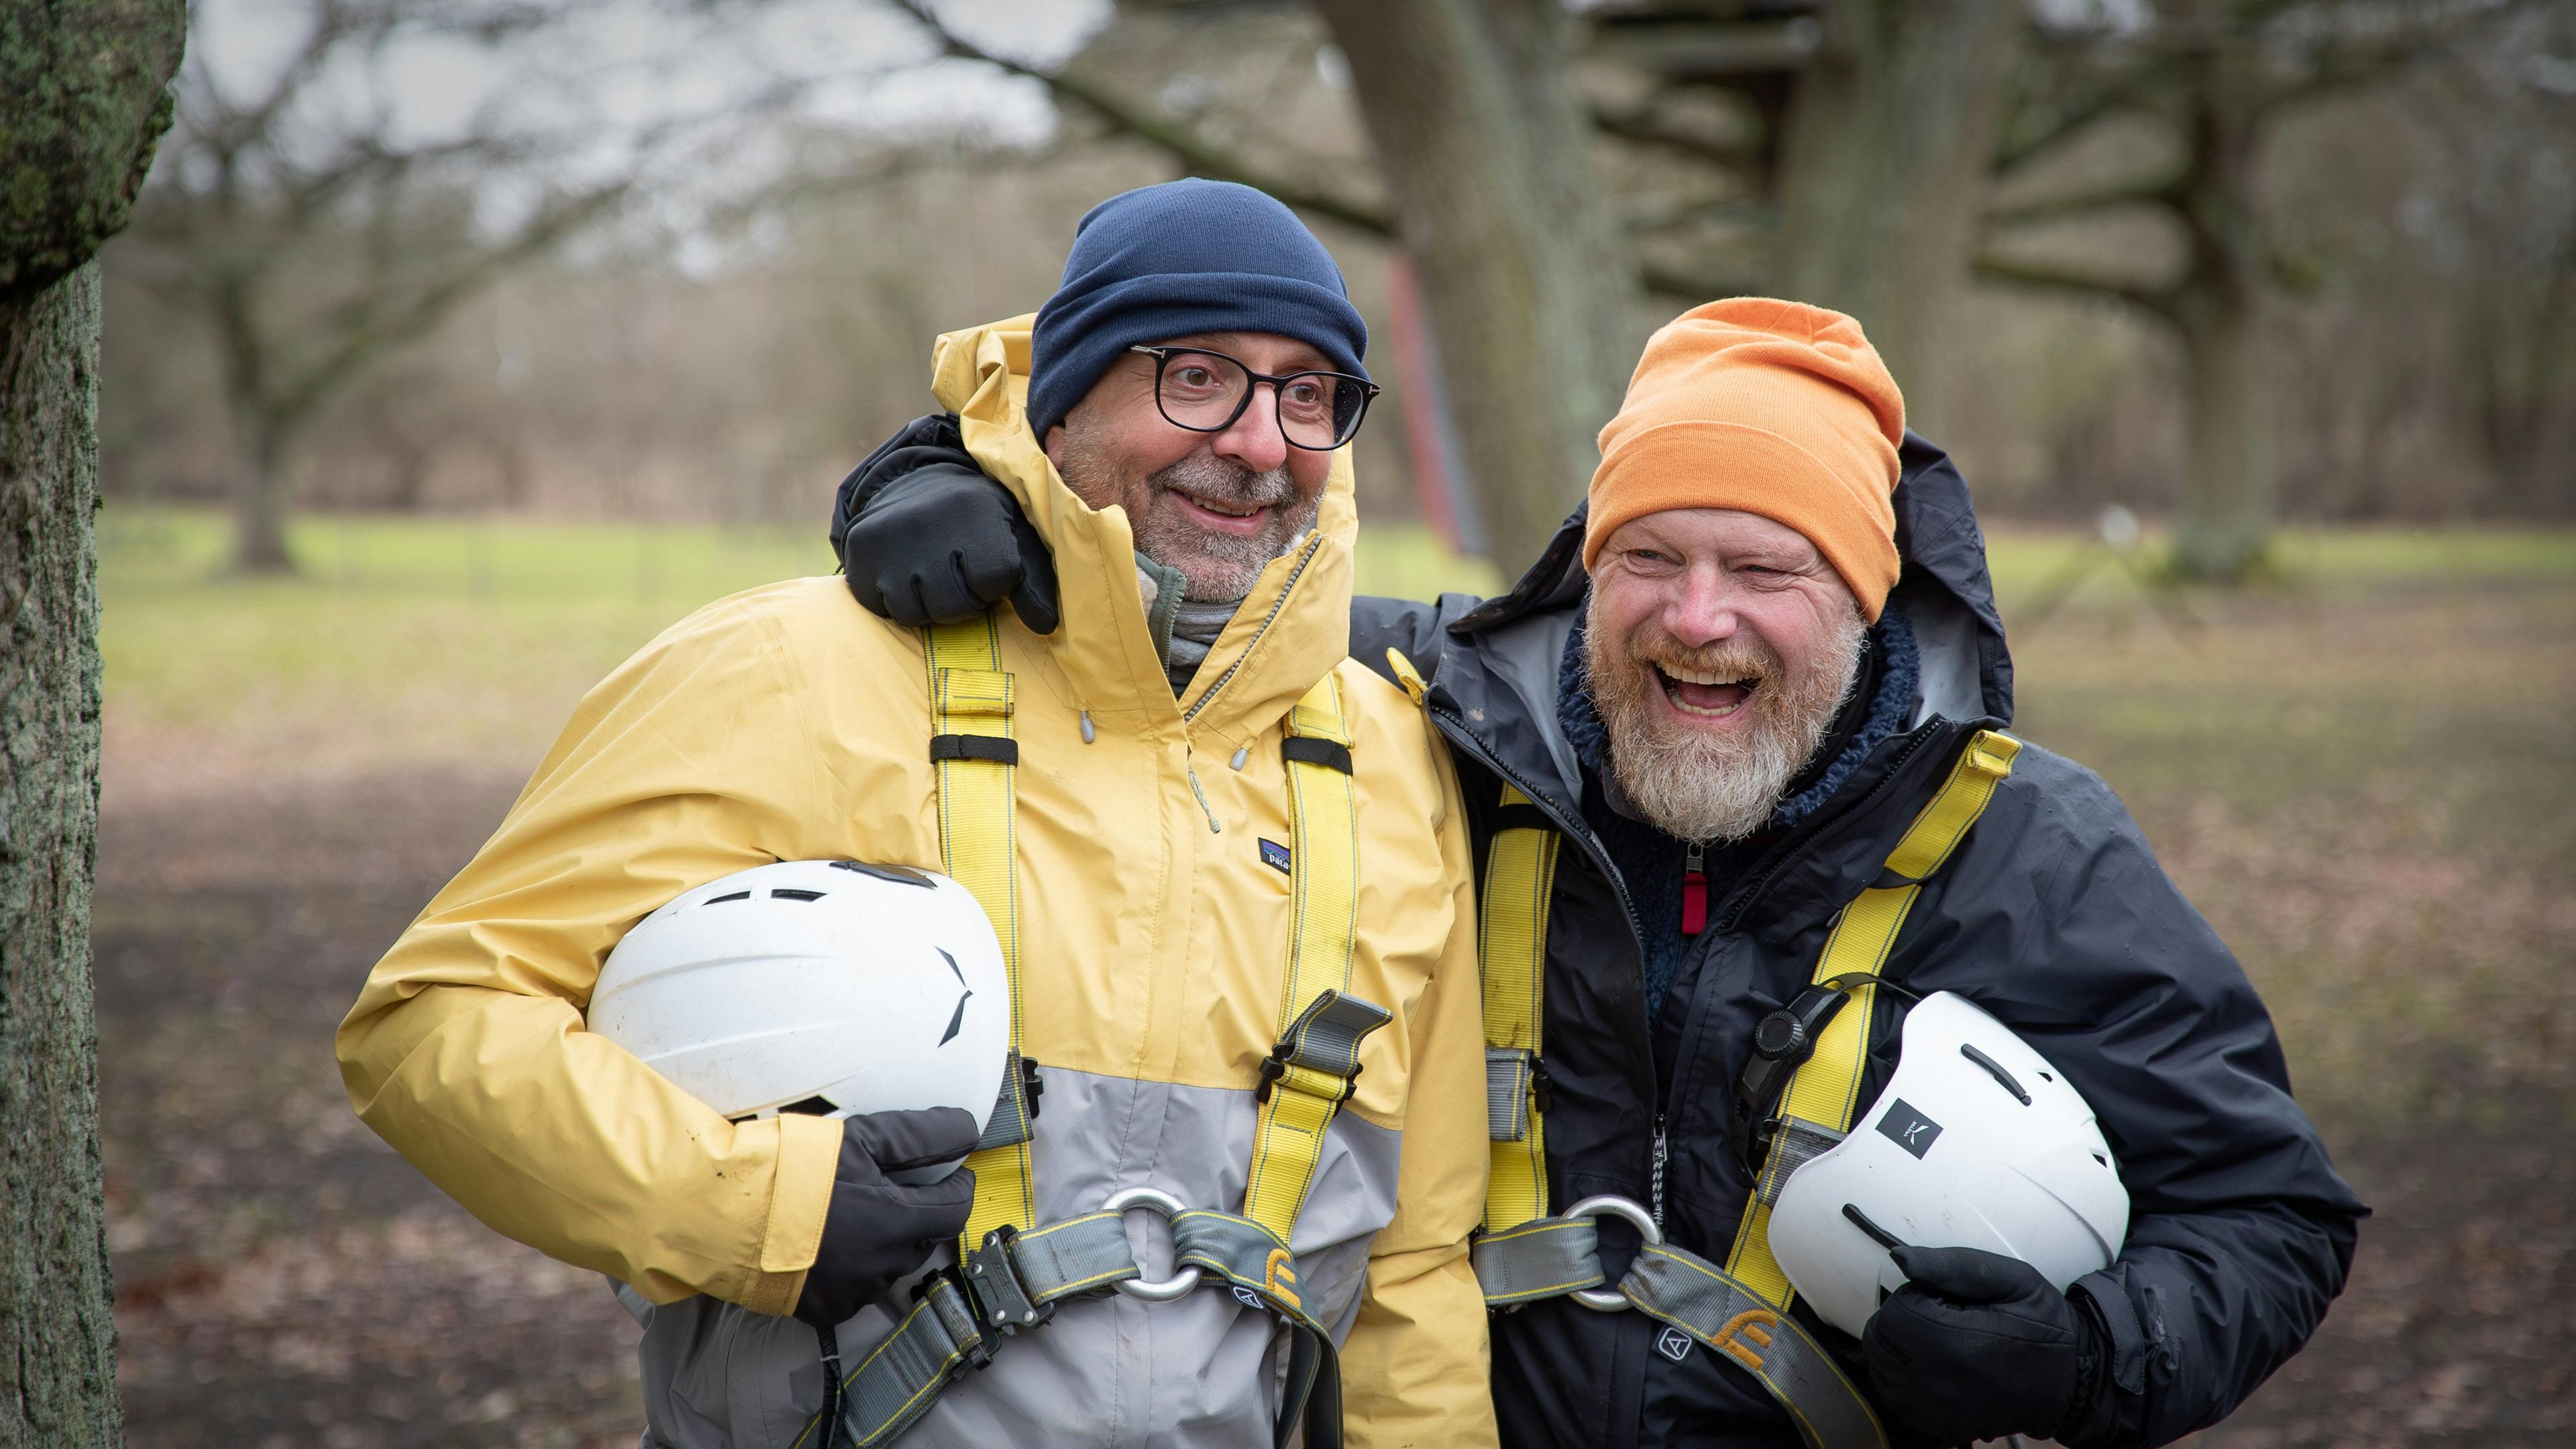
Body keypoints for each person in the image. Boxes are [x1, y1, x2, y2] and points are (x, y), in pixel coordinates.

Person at [834, 297, 2368, 1448]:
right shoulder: (1420, 718)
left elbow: (2268, 1214)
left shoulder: (2029, 848)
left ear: (1869, 591)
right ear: (1587, 567)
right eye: (1650, 558)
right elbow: (1176, 582)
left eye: (1766, 570)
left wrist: (2086, 1357)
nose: (1696, 619)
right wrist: (947, 487)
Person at [337, 178, 1499, 1449]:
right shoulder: (795, 669)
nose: (1262, 442)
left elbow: (1413, 1274)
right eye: (1199, 377)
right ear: (1064, 402)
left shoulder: (1392, 757)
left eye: (1308, 393)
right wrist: (754, 1212)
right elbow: (433, 1025)